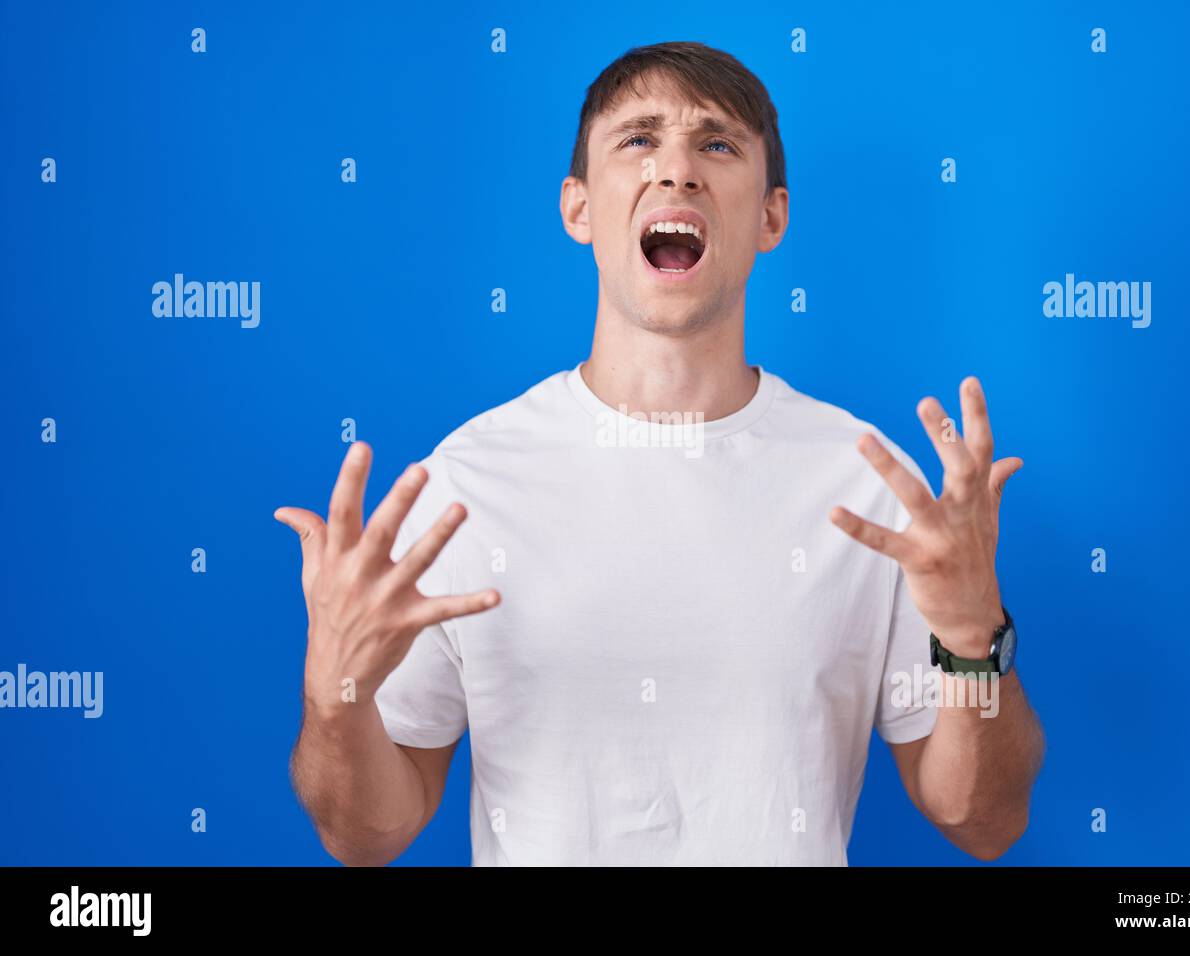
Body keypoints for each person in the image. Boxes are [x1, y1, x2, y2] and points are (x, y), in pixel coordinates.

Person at [277, 41, 1044, 866]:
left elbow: (983, 822)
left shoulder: (872, 488)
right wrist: (334, 694)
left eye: (717, 144)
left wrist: (974, 638)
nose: (676, 169)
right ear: (577, 208)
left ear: (771, 217)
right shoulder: (466, 485)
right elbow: (363, 836)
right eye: (638, 139)